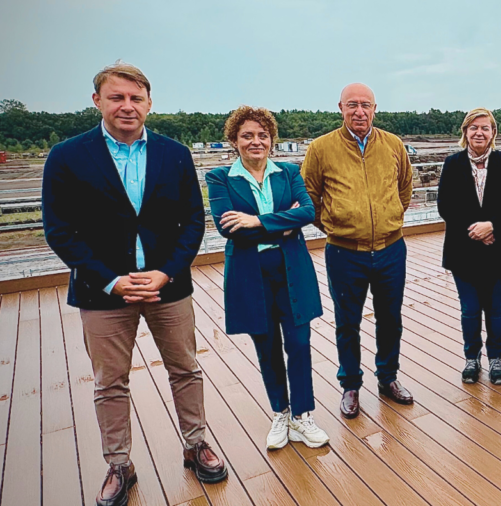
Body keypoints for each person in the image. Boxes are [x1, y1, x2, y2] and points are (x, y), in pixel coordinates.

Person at [42, 61, 226, 506]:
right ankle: (119, 464)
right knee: (110, 382)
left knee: (185, 369)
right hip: (102, 292)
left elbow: (192, 223)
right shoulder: (66, 156)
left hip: (168, 286)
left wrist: (166, 271)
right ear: (97, 101)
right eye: (117, 97)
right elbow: (59, 229)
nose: (127, 106)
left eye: (135, 98)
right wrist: (110, 281)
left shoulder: (174, 153)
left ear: (149, 103)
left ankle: (195, 443)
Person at [206, 106, 328, 451]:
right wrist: (282, 223)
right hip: (250, 274)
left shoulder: (289, 172)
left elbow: (307, 211)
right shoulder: (219, 178)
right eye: (247, 135)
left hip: (292, 270)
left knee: (299, 345)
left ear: (272, 140)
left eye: (262, 135)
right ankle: (281, 412)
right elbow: (227, 227)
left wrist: (257, 222)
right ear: (234, 141)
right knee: (267, 348)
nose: (255, 141)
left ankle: (303, 416)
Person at [301, 83, 414, 419]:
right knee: (347, 322)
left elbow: (405, 188)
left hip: (391, 249)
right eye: (352, 105)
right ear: (340, 108)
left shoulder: (393, 145)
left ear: (375, 109)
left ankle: (388, 378)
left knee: (390, 319)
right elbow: (310, 197)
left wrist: (389, 219)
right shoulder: (321, 149)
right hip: (344, 252)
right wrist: (337, 226)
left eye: (366, 105)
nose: (359, 112)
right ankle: (350, 385)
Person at [437, 108, 501, 385]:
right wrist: (477, 230)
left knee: (495, 308)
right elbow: (446, 206)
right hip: (463, 251)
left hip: (499, 249)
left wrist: (492, 226)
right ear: (465, 132)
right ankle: (471, 358)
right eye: (473, 128)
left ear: (493, 133)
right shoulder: (452, 164)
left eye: (485, 128)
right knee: (470, 309)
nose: (479, 133)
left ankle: (496, 359)